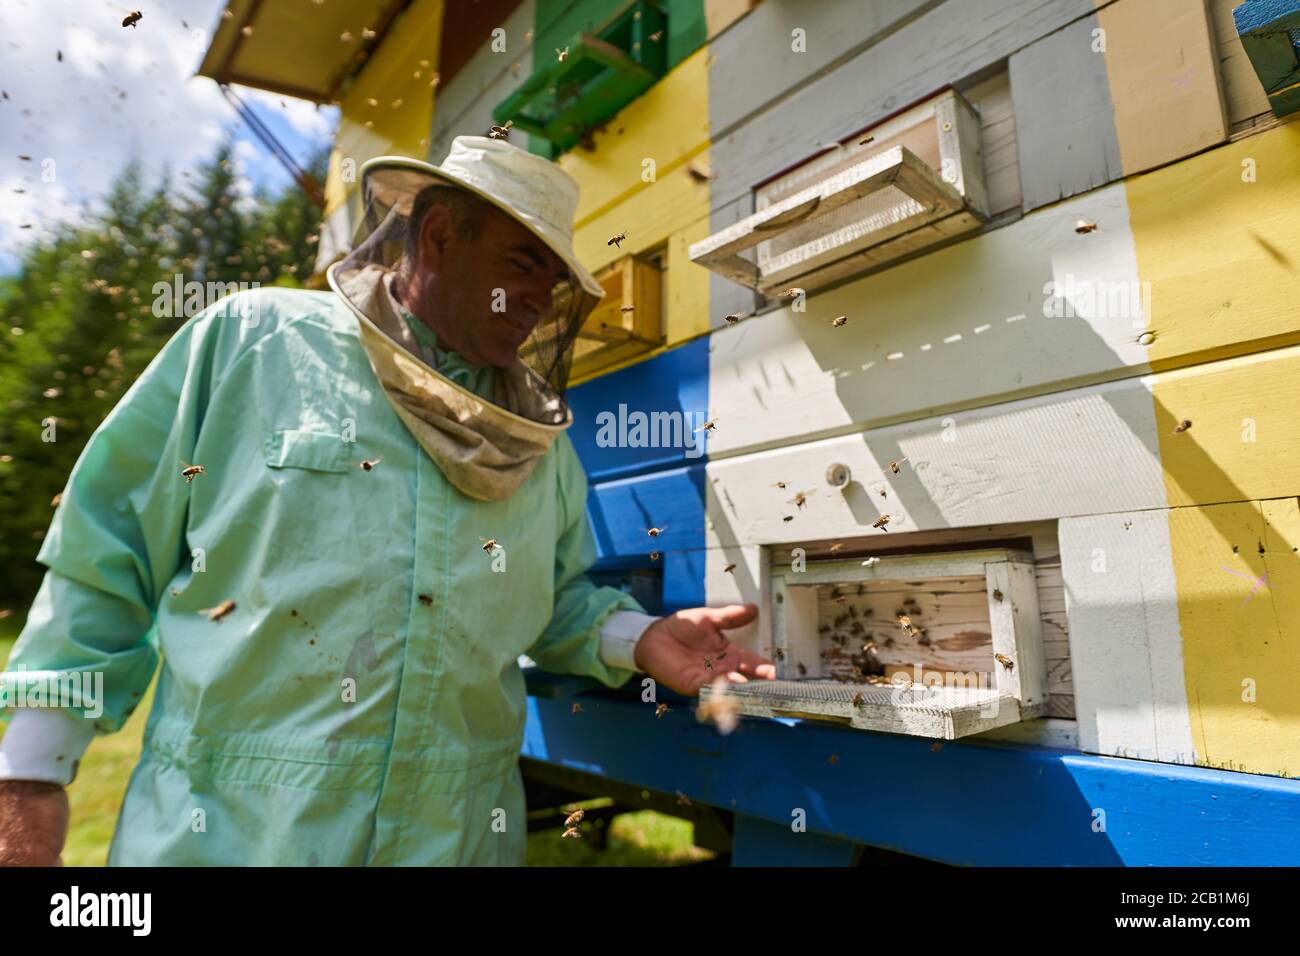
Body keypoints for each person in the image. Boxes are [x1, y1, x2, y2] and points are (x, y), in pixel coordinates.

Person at [0, 136, 772, 866]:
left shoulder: (541, 444)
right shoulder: (252, 343)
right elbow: (108, 550)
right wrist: (28, 777)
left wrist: (637, 637)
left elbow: (556, 603)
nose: (540, 296)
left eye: (553, 279)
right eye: (521, 264)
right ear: (437, 236)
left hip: (456, 838)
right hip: (231, 833)